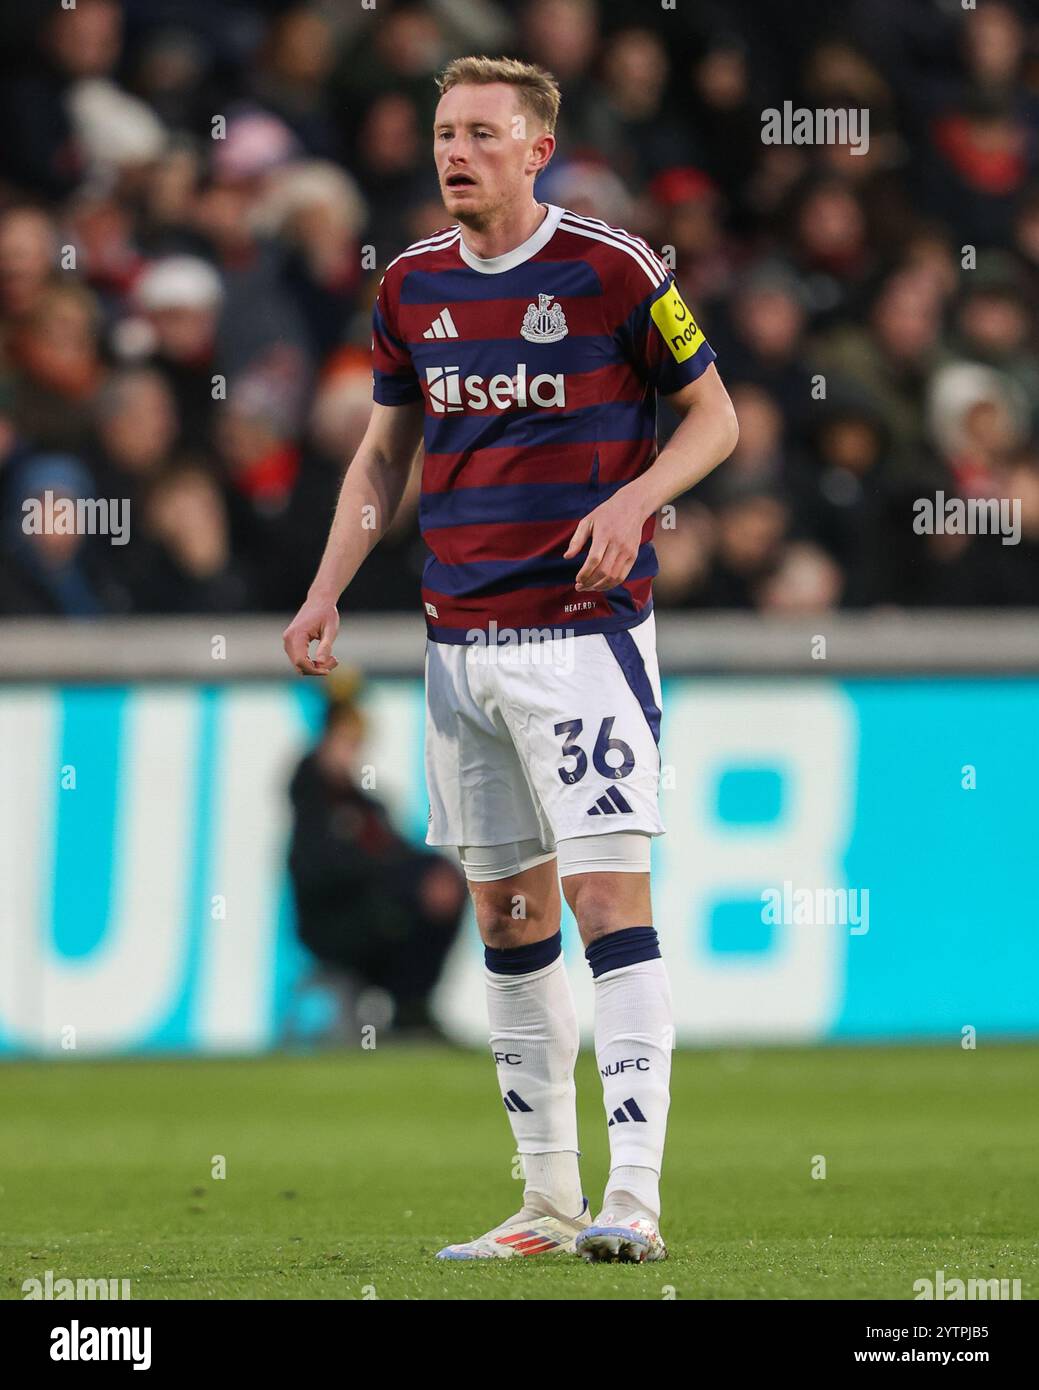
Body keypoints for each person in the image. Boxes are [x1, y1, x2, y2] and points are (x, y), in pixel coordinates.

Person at [283, 56, 738, 1264]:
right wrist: (327, 587)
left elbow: (717, 415)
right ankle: (545, 1203)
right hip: (458, 647)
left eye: (483, 133)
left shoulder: (611, 267)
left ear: (538, 149)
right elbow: (384, 456)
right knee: (509, 914)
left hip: (581, 641)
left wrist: (634, 498)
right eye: (445, 131)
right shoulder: (410, 285)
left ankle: (631, 1198)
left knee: (606, 901)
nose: (456, 151)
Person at [288, 691, 466, 1037]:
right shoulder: (313, 806)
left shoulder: (365, 807)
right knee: (414, 901)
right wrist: (409, 881)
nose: (352, 752)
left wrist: (439, 873)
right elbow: (326, 871)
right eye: (345, 742)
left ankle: (413, 1006)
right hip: (335, 927)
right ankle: (409, 1010)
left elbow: (397, 852)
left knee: (444, 887)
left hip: (376, 920)